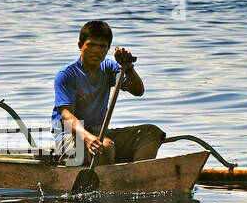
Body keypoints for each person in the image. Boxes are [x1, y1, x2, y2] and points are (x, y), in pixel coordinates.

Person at [51, 20, 164, 165]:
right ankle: (109, 185)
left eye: (102, 46)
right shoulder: (67, 74)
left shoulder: (109, 68)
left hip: (101, 132)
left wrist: (128, 67)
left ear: (108, 48)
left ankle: (137, 178)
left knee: (152, 133)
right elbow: (66, 115)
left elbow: (138, 91)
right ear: (80, 46)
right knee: (105, 147)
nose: (96, 50)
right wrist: (87, 138)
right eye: (91, 45)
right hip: (70, 137)